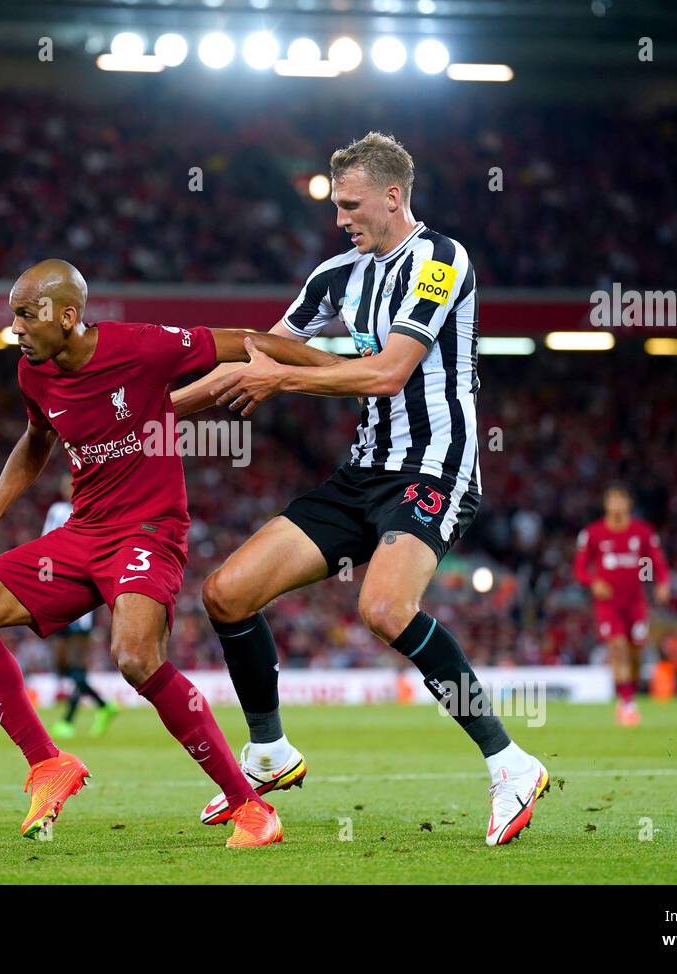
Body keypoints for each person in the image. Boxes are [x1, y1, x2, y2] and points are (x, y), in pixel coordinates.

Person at [173, 132, 548, 846]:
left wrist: (285, 375)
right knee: (227, 593)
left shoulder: (440, 259)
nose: (340, 217)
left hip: (435, 466)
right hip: (362, 473)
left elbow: (387, 373)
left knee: (383, 607)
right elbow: (259, 349)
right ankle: (269, 756)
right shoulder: (335, 275)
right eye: (334, 204)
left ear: (392, 196)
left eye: (349, 204)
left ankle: (510, 763)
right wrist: (146, 411)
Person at [0, 258, 339, 847]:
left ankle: (251, 808)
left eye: (26, 314)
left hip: (148, 531)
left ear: (68, 316)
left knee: (133, 656)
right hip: (82, 535)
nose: (15, 327)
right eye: (12, 314)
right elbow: (36, 439)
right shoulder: (32, 374)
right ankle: (48, 763)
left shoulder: (142, 348)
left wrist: (347, 370)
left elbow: (248, 343)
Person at [574, 483, 671, 726]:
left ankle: (630, 694)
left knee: (636, 651)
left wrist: (662, 582)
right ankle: (626, 703)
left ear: (628, 504)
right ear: (606, 504)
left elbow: (656, 561)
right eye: (612, 500)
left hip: (635, 602)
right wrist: (594, 582)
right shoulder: (593, 533)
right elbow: (579, 568)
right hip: (608, 604)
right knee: (617, 647)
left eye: (621, 500)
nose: (616, 505)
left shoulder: (642, 532)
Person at [42, 475, 119, 740]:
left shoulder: (93, 513)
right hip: (58, 593)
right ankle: (102, 706)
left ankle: (69, 720)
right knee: (62, 664)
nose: (70, 490)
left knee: (76, 663)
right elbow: (45, 547)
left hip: (82, 598)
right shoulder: (57, 511)